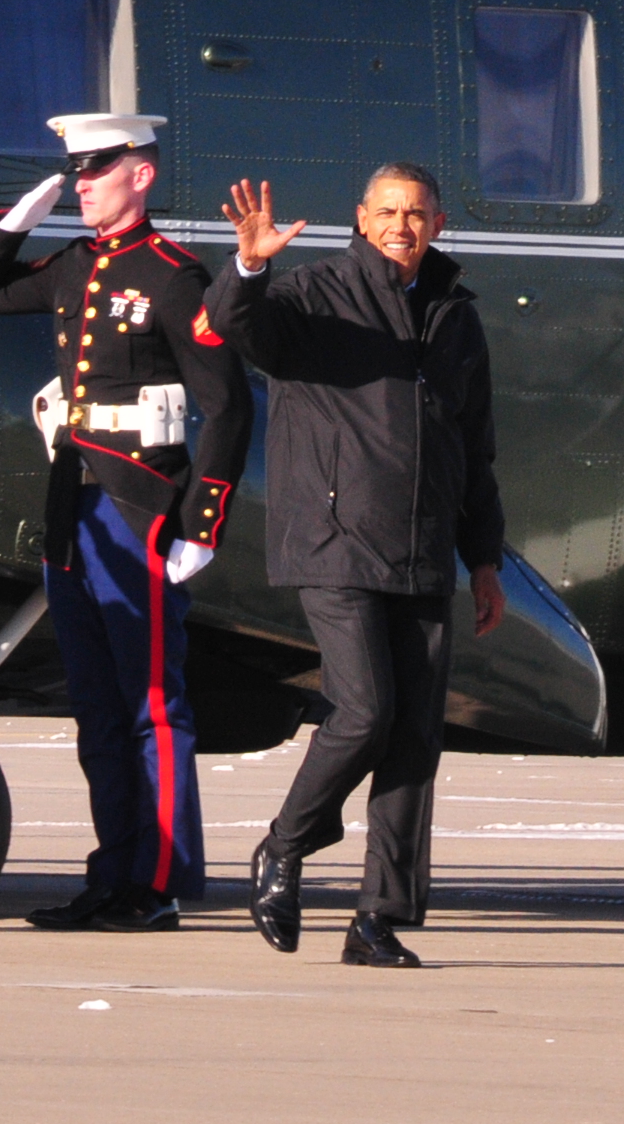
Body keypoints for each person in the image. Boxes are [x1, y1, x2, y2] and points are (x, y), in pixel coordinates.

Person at [0, 113, 249, 932]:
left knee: (151, 702)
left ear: (141, 174)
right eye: (76, 172)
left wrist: (202, 520)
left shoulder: (173, 276)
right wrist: (11, 224)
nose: (82, 183)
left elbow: (227, 405)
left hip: (138, 505)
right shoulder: (74, 264)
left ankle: (153, 885)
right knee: (94, 703)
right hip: (73, 503)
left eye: (97, 169)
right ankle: (111, 874)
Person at [212, 164, 506, 969]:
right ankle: (284, 844)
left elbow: (474, 448)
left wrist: (483, 558)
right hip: (335, 539)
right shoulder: (315, 294)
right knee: (364, 711)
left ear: (438, 225)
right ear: (361, 218)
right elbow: (242, 328)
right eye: (386, 212)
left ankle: (379, 919)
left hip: (424, 548)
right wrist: (250, 266)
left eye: (415, 214)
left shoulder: (455, 318)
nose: (400, 226)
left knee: (415, 736)